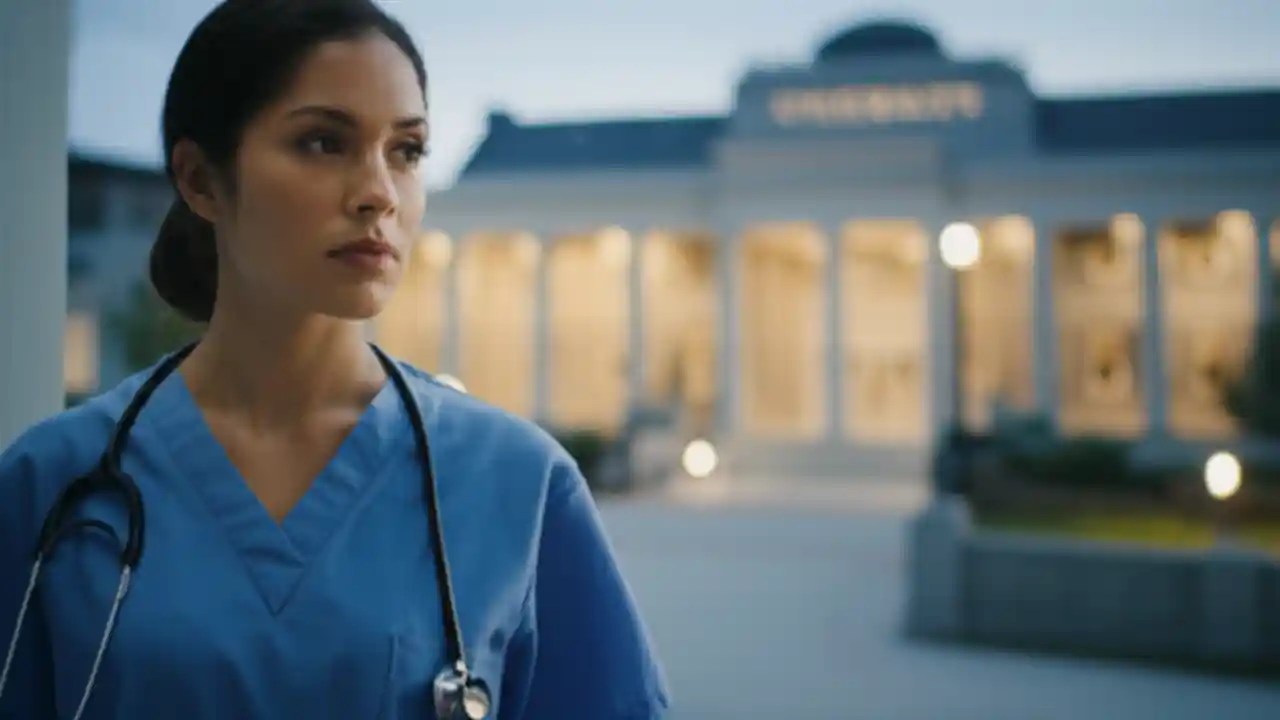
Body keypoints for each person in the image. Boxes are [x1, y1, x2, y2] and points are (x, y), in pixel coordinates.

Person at [0, 1, 670, 717]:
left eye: (406, 151)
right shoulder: (52, 482)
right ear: (199, 179)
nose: (379, 193)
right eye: (323, 142)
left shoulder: (517, 483)